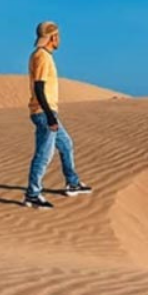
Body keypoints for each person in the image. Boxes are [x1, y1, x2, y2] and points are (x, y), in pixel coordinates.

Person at [23, 20, 92, 208]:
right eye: (58, 36)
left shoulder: (41, 55)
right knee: (44, 155)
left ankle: (72, 182)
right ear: (52, 37)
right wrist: (50, 116)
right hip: (44, 112)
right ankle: (32, 194)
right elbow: (39, 87)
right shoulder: (42, 57)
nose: (60, 39)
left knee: (66, 144)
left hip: (47, 112)